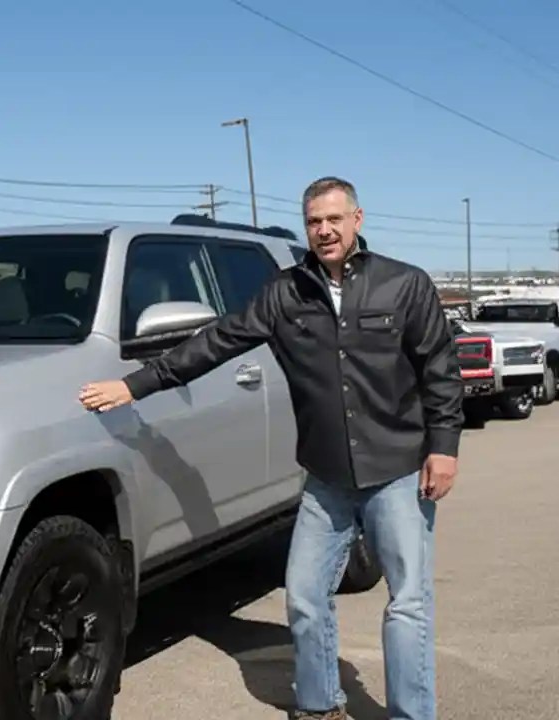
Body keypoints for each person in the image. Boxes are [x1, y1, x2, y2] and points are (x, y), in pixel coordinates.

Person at [79, 176, 462, 720]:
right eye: (314, 221)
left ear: (357, 220)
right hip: (327, 478)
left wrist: (443, 447)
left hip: (398, 468)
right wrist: (135, 385)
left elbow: (440, 372)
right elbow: (216, 341)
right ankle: (318, 704)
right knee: (304, 597)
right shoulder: (285, 293)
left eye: (334, 219)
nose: (324, 230)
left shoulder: (404, 285)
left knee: (408, 604)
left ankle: (410, 713)